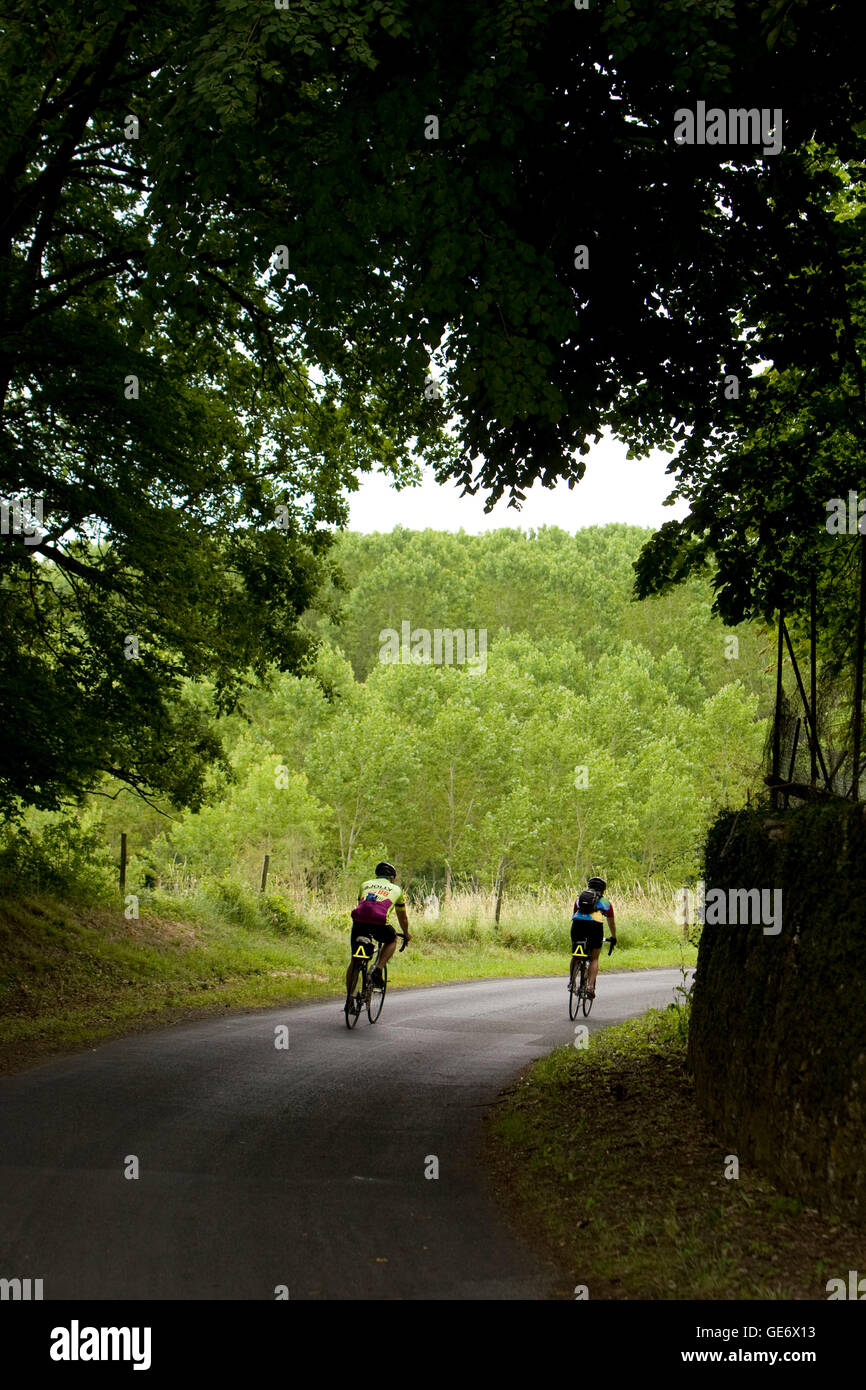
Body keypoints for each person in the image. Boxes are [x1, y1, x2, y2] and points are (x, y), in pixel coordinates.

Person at [346, 861, 410, 1007]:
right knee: (392, 939)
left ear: (377, 875)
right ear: (392, 878)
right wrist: (406, 933)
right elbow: (403, 918)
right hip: (379, 923)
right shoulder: (397, 889)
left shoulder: (365, 884)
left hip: (359, 922)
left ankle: (349, 998)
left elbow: (362, 905)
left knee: (355, 961)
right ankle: (378, 969)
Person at [570, 875, 617, 999]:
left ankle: (571, 982)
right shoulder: (605, 902)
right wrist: (613, 936)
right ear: (603, 890)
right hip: (595, 927)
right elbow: (611, 922)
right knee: (594, 958)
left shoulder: (579, 899)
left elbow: (574, 914)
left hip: (577, 925)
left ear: (589, 887)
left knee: (575, 955)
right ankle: (590, 987)